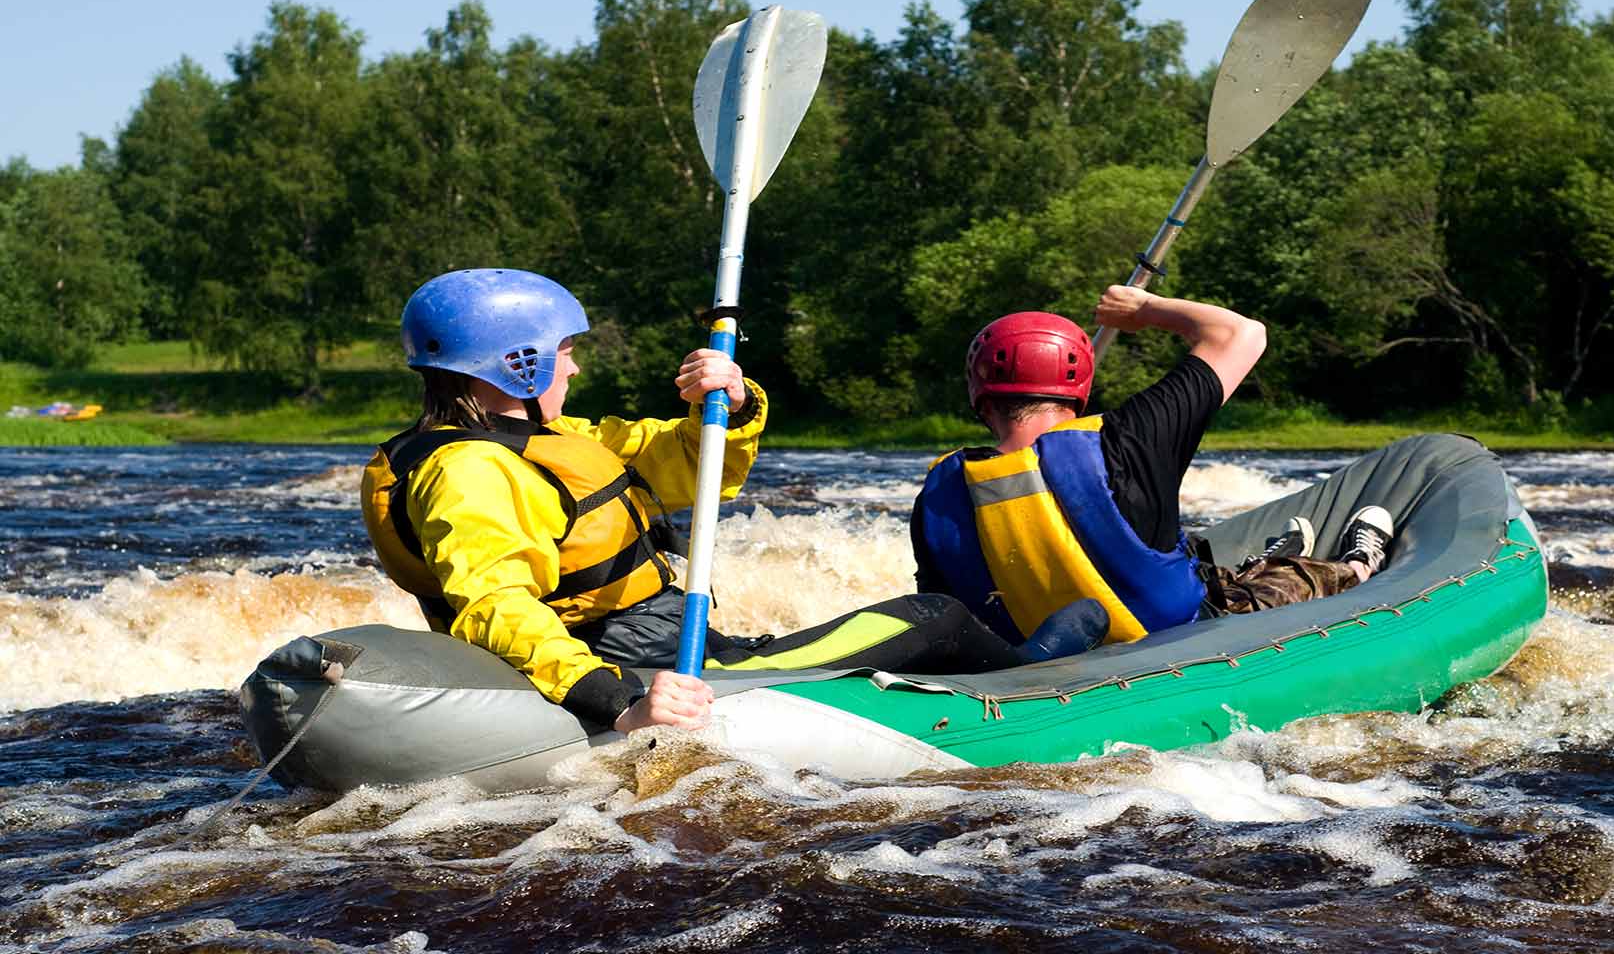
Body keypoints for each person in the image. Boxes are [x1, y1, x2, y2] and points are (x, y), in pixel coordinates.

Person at [362, 268, 1106, 738]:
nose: (576, 364)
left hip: (666, 647)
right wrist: (618, 702)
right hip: (644, 668)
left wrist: (732, 401)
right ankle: (1033, 677)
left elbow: (693, 469)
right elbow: (494, 604)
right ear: (515, 364)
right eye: (563, 352)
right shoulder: (471, 473)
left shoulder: (543, 439)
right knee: (935, 617)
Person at [911, 285, 1393, 647]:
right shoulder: (1130, 436)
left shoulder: (939, 493)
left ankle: (1267, 560)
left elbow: (945, 612)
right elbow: (1241, 333)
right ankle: (1356, 565)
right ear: (1078, 386)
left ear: (980, 395)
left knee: (1220, 576)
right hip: (1175, 639)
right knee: (1279, 590)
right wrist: (1143, 310)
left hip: (1038, 667)